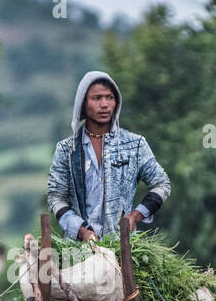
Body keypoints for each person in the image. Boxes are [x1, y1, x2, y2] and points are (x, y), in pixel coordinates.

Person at [46, 70, 171, 243]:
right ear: (83, 103)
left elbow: (161, 183)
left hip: (123, 247)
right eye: (97, 98)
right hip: (77, 249)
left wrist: (134, 216)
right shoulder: (67, 150)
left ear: (116, 102)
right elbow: (56, 197)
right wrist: (81, 230)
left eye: (109, 97)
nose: (104, 104)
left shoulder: (134, 145)